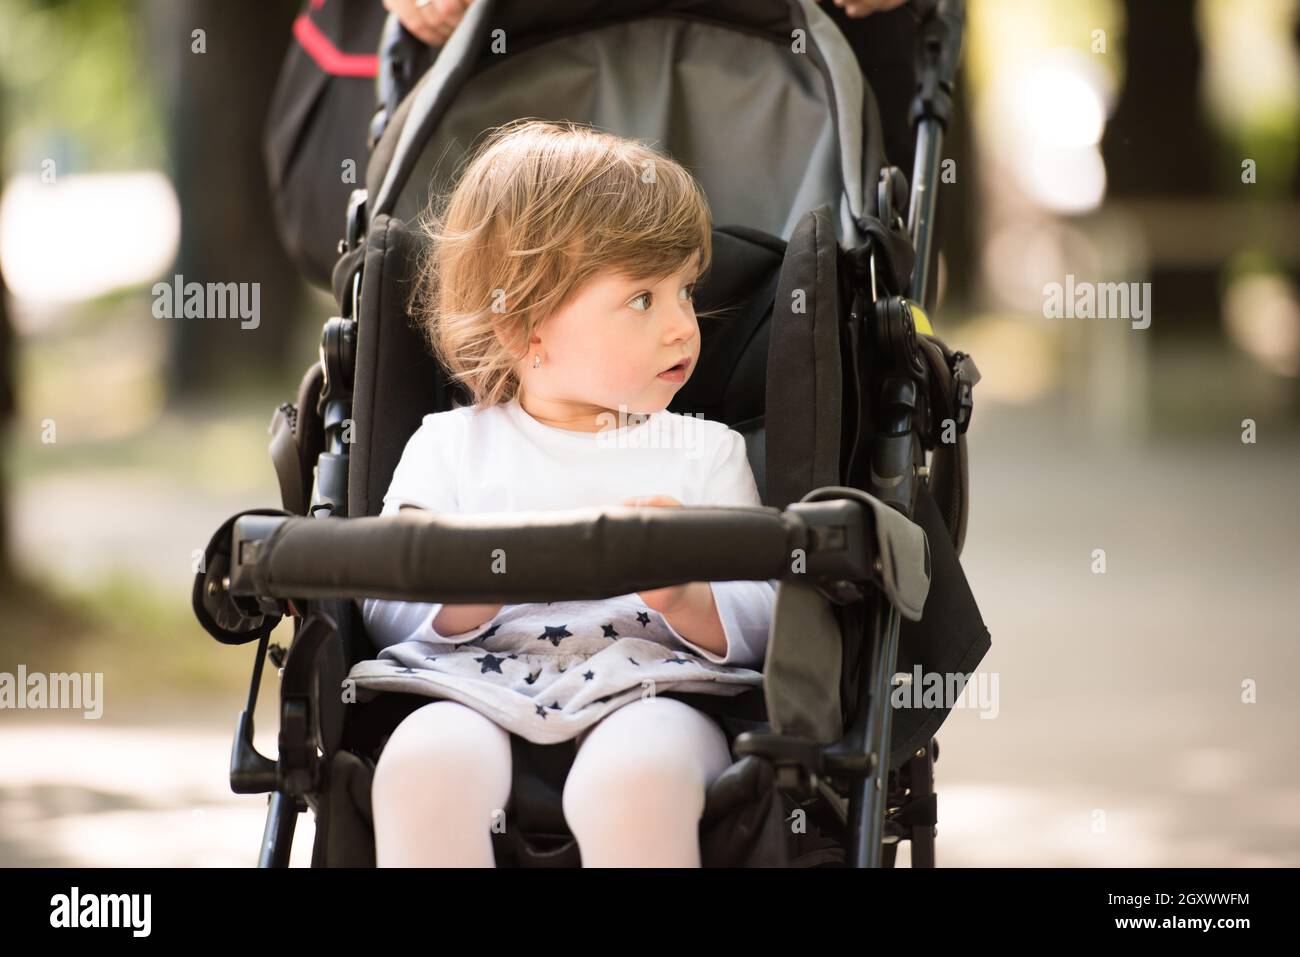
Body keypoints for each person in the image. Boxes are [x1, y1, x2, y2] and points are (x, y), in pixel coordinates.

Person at [348, 119, 779, 867]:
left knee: (635, 779)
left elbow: (773, 616)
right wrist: (464, 589)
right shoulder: (449, 447)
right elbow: (383, 610)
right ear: (524, 328)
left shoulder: (705, 453)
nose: (684, 326)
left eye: (685, 291)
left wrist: (689, 597)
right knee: (422, 767)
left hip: (657, 694)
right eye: (644, 299)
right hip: (467, 690)